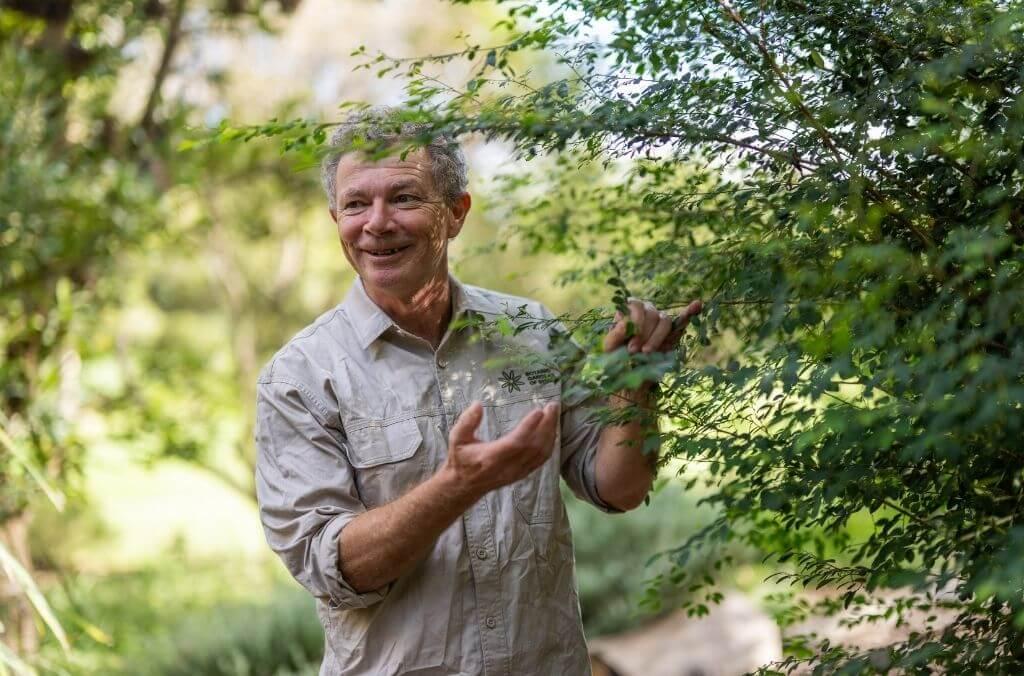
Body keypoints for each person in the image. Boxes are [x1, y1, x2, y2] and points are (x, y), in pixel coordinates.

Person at [254, 109, 702, 676]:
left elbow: (618, 487)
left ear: (456, 213)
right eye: (355, 204)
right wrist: (457, 486)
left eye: (405, 198)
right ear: (335, 218)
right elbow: (332, 568)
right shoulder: (299, 376)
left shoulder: (531, 333)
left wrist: (635, 387)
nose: (377, 223)